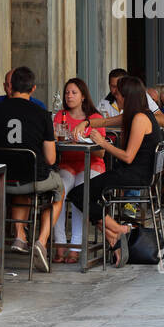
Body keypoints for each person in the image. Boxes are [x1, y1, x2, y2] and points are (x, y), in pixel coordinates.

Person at [69, 77, 162, 265]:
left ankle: (120, 230)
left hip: (135, 175)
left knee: (78, 195)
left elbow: (128, 157)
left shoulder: (140, 119)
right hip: (131, 172)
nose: (116, 98)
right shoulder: (135, 114)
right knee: (84, 195)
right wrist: (86, 123)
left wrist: (103, 143)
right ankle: (114, 238)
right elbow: (104, 122)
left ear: (127, 96)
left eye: (118, 95)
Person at [0, 65, 63, 273]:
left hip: (3, 179)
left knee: (20, 180)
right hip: (31, 178)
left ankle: (20, 235)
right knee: (59, 190)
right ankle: (42, 242)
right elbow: (51, 157)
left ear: (10, 87)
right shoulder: (42, 114)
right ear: (33, 88)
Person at [52, 78, 104, 264]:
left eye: (74, 92)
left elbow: (102, 152)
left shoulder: (95, 118)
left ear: (83, 96)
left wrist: (85, 140)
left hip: (92, 164)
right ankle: (59, 243)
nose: (69, 96)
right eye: (67, 92)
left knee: (79, 194)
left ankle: (75, 247)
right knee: (59, 192)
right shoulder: (61, 116)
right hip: (68, 164)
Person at [88, 67, 164, 130]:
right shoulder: (104, 102)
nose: (116, 91)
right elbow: (103, 122)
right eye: (113, 86)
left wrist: (134, 119)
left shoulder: (142, 97)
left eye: (119, 86)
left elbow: (163, 121)